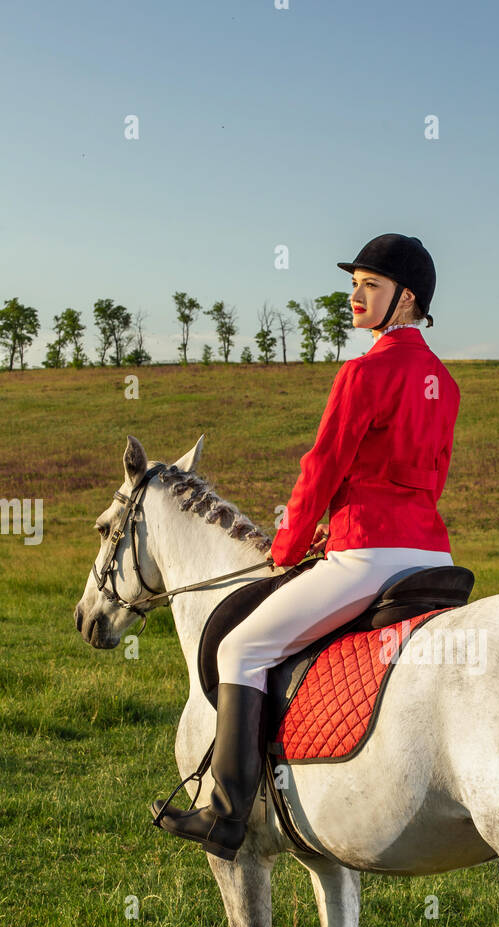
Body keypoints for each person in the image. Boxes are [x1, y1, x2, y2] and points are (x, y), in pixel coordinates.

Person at [151, 233, 461, 859]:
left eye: (370, 286)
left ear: (406, 301)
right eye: (354, 286)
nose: (355, 297)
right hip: (431, 557)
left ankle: (226, 813)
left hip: (369, 560)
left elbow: (321, 467)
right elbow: (415, 478)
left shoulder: (364, 372)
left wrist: (291, 544)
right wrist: (342, 522)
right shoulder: (444, 383)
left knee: (242, 645)